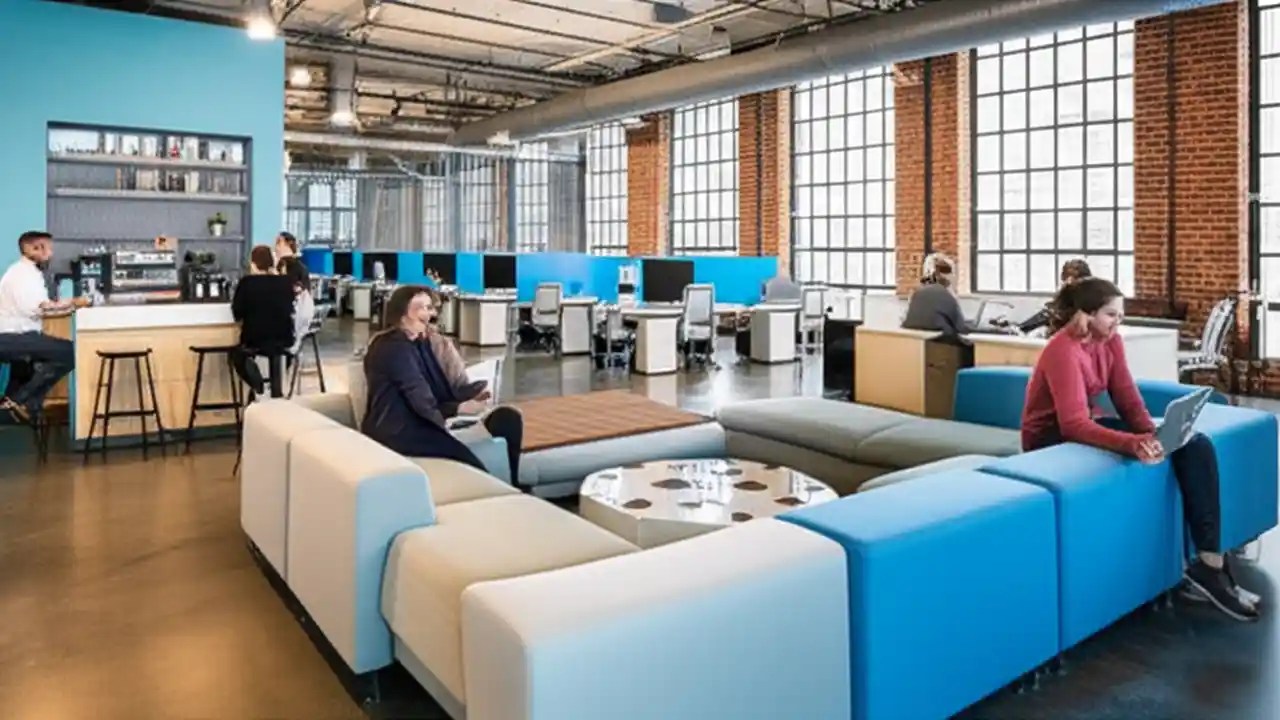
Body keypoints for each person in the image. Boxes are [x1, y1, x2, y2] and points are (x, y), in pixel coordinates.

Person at [1022, 277, 1261, 622]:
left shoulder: (1111, 342)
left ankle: (1211, 562)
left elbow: (1127, 399)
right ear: (1085, 315)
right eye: (1111, 315)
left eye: (1120, 314)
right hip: (1050, 438)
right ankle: (1208, 570)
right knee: (1168, 448)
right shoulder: (1062, 350)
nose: (1119, 322)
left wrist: (1157, 432)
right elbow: (1072, 424)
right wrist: (1134, 444)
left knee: (1195, 444)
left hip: (1085, 423)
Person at [361, 285, 524, 479]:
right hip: (402, 432)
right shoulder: (393, 348)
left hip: (423, 422)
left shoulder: (418, 344)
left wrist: (461, 406)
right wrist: (447, 428)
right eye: (420, 307)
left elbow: (434, 396)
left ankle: (513, 486)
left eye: (429, 307)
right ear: (401, 313)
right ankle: (501, 494)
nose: (428, 313)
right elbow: (420, 399)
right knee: (476, 471)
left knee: (507, 419)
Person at [0, 231, 81, 424]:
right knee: (70, 352)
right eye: (47, 248)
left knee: (32, 368)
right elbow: (39, 307)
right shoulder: (22, 274)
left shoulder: (27, 273)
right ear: (34, 249)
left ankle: (20, 405)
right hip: (12, 337)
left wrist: (70, 305)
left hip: (19, 336)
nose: (51, 253)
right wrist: (75, 302)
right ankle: (19, 401)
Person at [231, 246, 295, 399]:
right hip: (284, 339)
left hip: (255, 339)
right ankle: (274, 389)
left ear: (252, 264)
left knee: (237, 355)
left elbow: (237, 313)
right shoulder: (285, 282)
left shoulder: (246, 283)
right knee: (277, 353)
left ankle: (258, 385)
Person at [900, 253, 972, 340]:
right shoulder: (946, 295)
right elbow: (960, 327)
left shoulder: (916, 294)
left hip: (916, 343)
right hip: (944, 344)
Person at [1013, 259, 1093, 335]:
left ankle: (1018, 329)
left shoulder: (1089, 301)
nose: (1068, 282)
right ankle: (1018, 329)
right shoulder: (1063, 296)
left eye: (1074, 278)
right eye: (1067, 278)